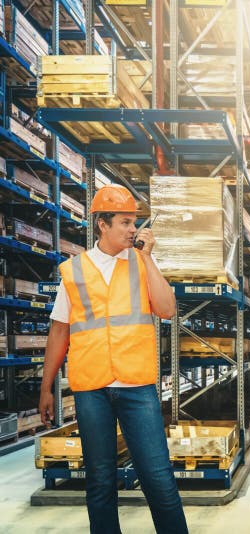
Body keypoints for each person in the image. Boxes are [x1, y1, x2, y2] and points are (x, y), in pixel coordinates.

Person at [38, 185, 188, 534]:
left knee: (158, 478)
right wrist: (47, 388)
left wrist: (148, 258)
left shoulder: (140, 262)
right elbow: (59, 333)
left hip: (137, 388)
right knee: (100, 483)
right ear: (102, 224)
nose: (132, 229)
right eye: (124, 222)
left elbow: (167, 309)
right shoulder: (73, 271)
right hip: (92, 389)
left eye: (133, 222)